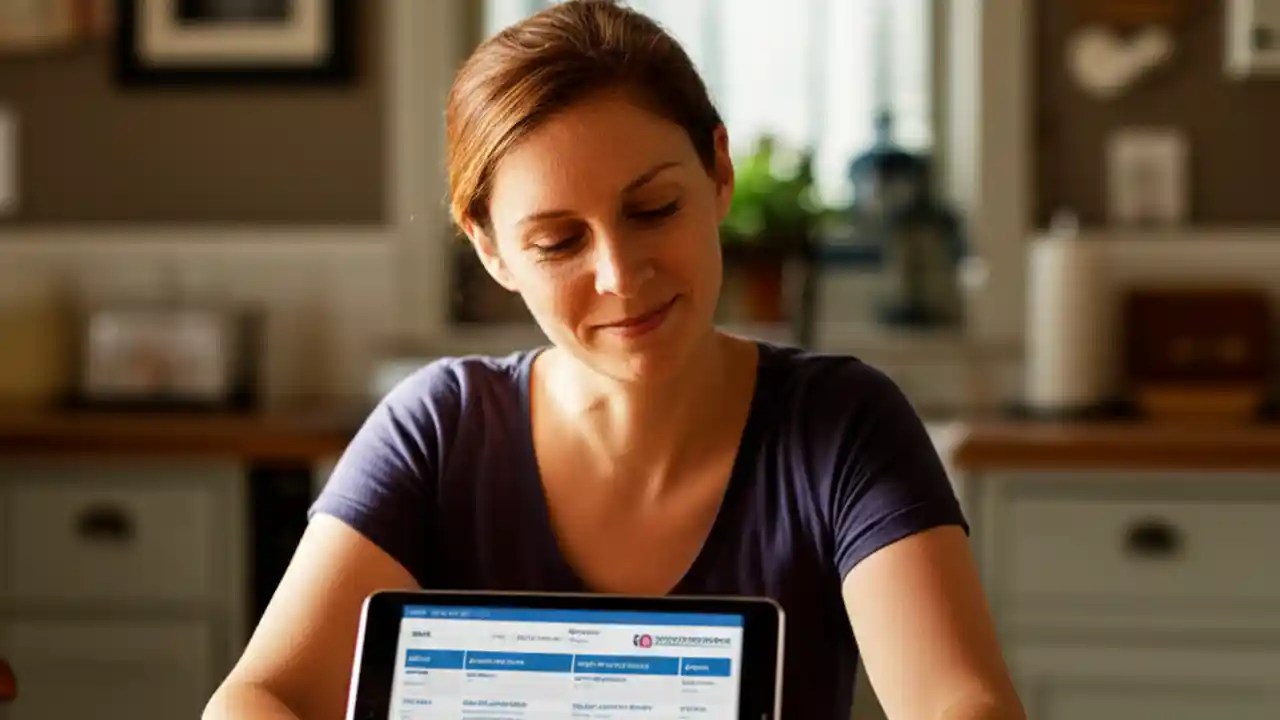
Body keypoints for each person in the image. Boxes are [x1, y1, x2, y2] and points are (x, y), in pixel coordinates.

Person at [204, 2, 1024, 718]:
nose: (621, 277)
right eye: (559, 242)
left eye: (655, 208)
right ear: (491, 250)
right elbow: (258, 697)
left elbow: (962, 702)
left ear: (720, 173)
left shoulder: (841, 425)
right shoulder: (439, 429)